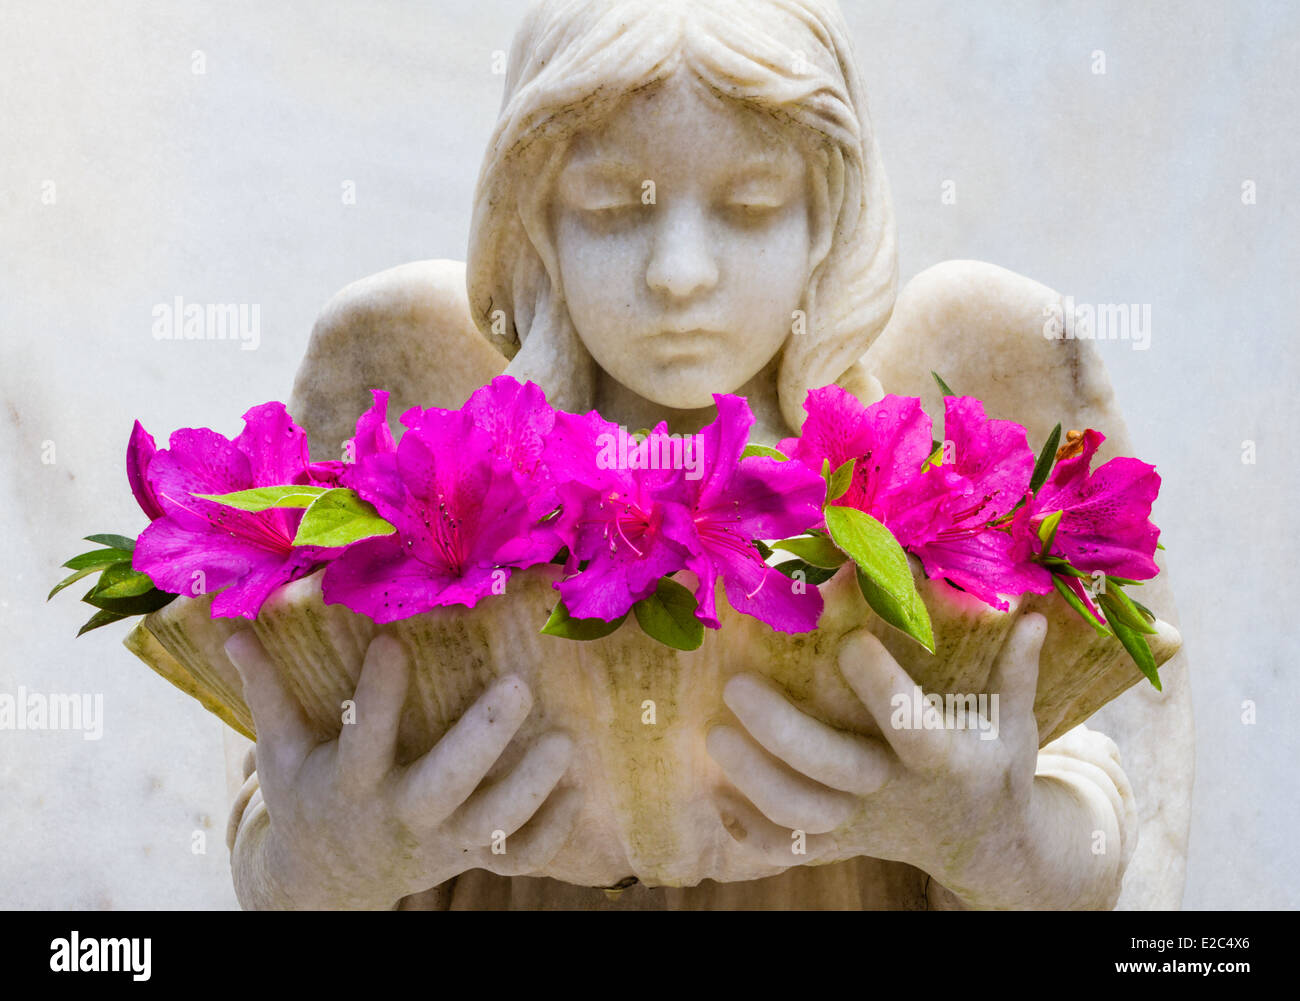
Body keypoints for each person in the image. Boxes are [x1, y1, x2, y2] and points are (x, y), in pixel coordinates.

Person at [224, 0, 1186, 910]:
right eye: (611, 204)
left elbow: (1110, 815)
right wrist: (335, 859)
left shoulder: (929, 454)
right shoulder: (435, 442)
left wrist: (993, 839)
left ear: (827, 218)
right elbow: (276, 811)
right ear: (537, 223)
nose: (679, 272)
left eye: (751, 202)